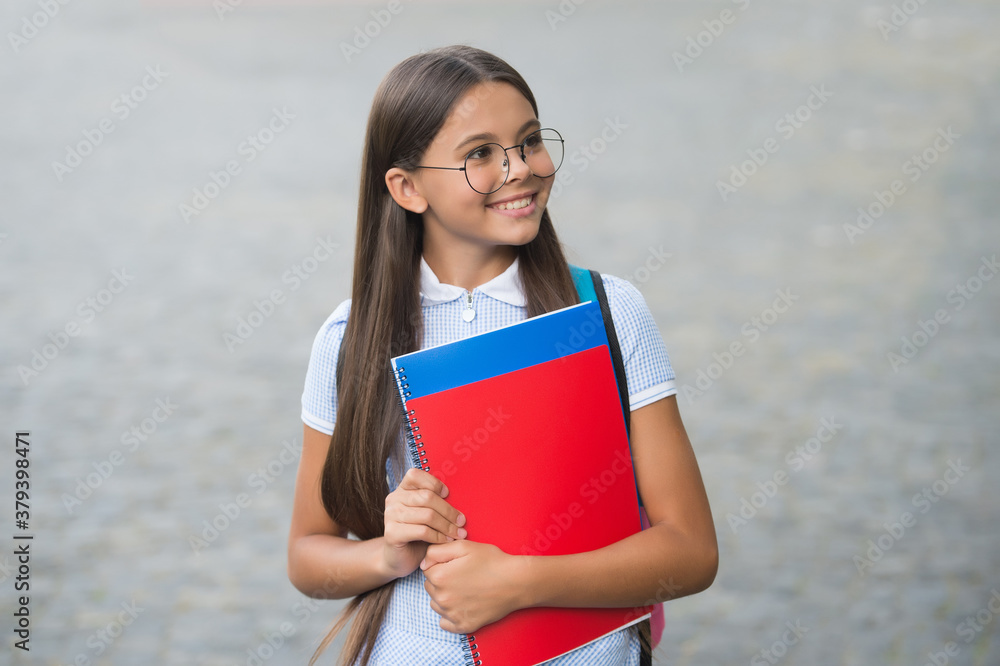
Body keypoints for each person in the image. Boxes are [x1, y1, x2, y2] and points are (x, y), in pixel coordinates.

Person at [287, 45, 718, 665]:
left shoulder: (608, 313)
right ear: (407, 188)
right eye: (479, 154)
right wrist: (387, 551)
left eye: (530, 141)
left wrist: (518, 583)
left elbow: (692, 552)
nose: (521, 169)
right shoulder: (350, 338)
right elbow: (308, 555)